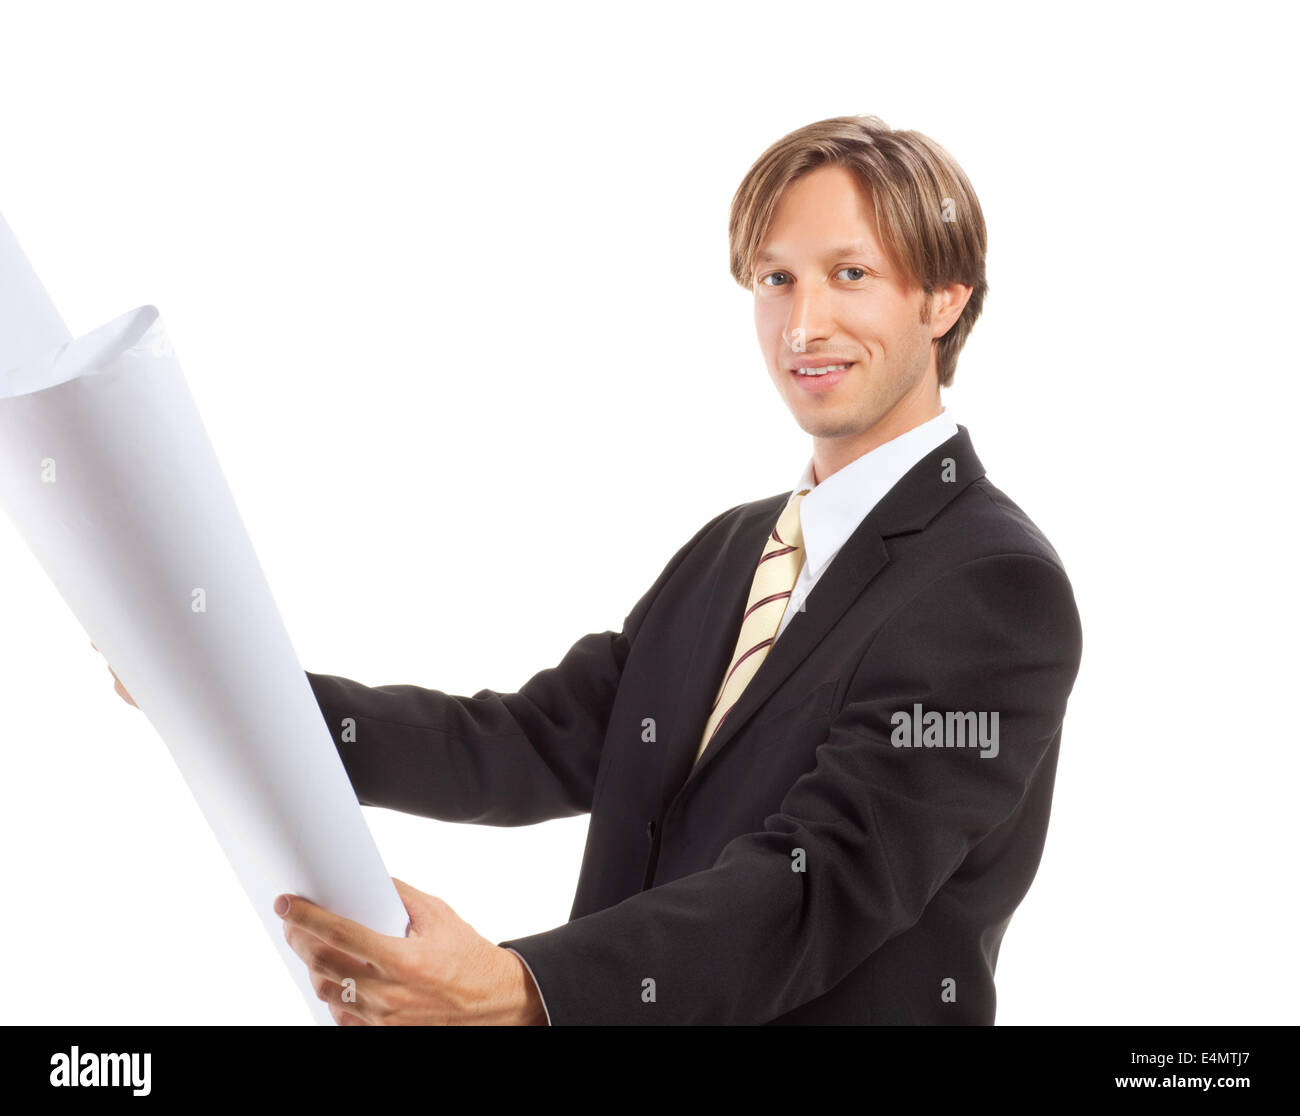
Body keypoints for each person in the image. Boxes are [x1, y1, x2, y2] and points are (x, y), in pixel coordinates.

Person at [105, 115, 1083, 1025]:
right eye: (775, 279)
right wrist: (238, 698)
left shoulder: (991, 584)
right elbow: (535, 740)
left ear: (943, 299)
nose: (803, 324)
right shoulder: (735, 550)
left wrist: (525, 987)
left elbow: (820, 879)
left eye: (851, 273)